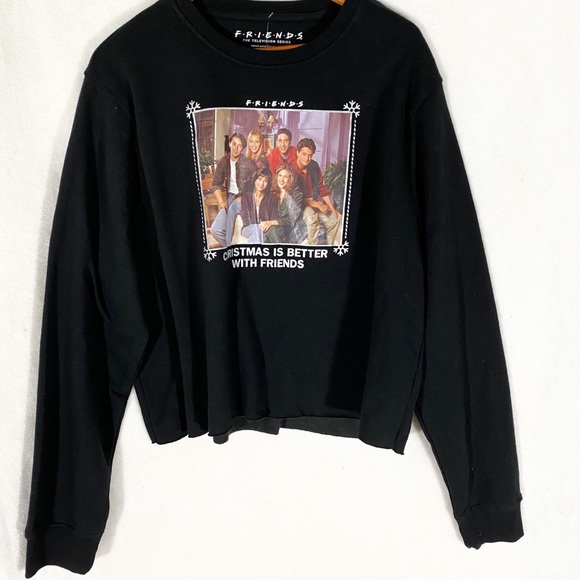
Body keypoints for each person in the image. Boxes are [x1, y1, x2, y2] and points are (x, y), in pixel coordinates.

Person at [290, 137, 342, 245]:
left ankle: (332, 249)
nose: (307, 158)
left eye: (310, 155)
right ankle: (312, 249)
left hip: (314, 202)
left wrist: (332, 209)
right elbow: (294, 198)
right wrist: (318, 205)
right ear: (297, 152)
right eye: (304, 154)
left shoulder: (313, 165)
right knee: (312, 219)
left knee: (336, 219)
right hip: (299, 206)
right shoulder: (290, 169)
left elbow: (321, 188)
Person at [209, 132, 257, 247]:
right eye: (234, 144)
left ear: (242, 148)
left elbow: (256, 187)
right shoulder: (223, 162)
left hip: (245, 199)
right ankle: (230, 248)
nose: (236, 148)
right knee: (215, 230)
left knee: (232, 210)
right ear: (230, 144)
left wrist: (244, 197)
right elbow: (216, 184)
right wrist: (222, 202)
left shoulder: (249, 164)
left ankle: (229, 250)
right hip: (230, 198)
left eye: (239, 146)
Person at [239, 167, 283, 244]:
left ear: (268, 183)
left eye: (265, 181)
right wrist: (260, 226)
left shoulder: (272, 198)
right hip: (248, 228)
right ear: (255, 180)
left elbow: (274, 217)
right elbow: (247, 220)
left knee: (259, 232)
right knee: (257, 229)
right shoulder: (246, 197)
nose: (262, 184)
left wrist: (266, 225)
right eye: (259, 179)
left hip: (265, 227)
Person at [270, 163, 308, 244]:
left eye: (285, 177)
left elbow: (291, 220)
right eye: (280, 175)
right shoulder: (272, 194)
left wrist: (271, 222)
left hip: (293, 232)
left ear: (290, 179)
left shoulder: (297, 195)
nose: (281, 179)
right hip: (278, 229)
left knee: (272, 231)